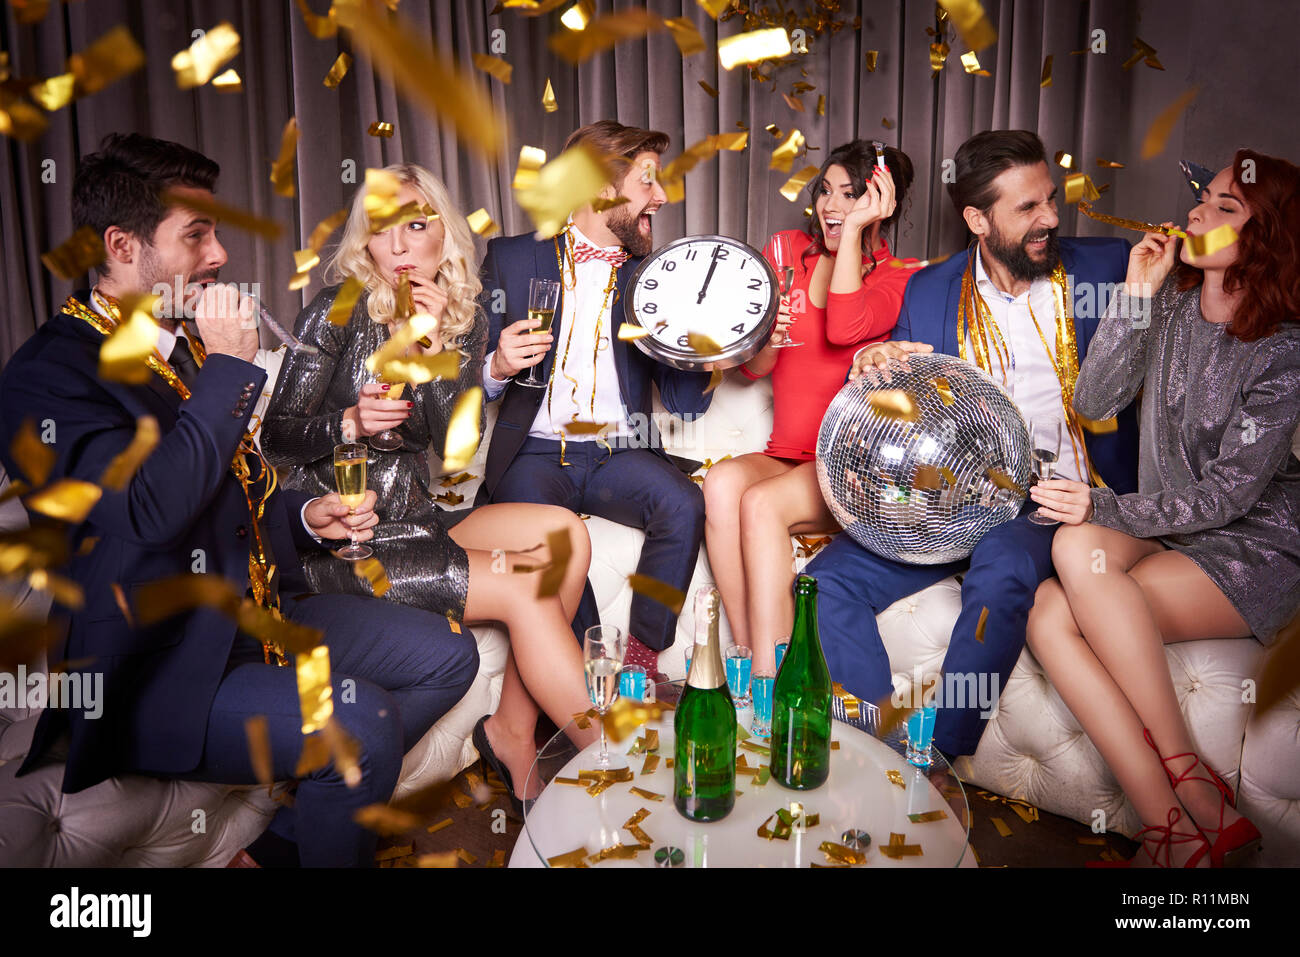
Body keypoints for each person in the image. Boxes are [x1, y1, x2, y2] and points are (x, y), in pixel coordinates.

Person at [0, 133, 479, 868]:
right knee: (361, 722)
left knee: (448, 654)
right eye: (197, 234)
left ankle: (287, 842)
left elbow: (233, 488)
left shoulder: (175, 344)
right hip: (154, 672)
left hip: (257, 617)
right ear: (123, 246)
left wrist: (305, 518)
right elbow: (149, 508)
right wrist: (228, 366)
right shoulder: (48, 377)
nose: (220, 253)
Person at [261, 164, 597, 807]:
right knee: (528, 584)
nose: (399, 246)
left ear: (443, 234)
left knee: (565, 536)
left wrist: (444, 345)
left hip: (416, 519)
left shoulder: (463, 321)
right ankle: (618, 758)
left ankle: (510, 732)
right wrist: (348, 421)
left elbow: (453, 448)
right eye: (383, 229)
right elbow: (276, 438)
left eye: (416, 226)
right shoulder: (334, 312)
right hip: (346, 539)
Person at [806, 130, 1139, 759]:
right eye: (1027, 209)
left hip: (1057, 503)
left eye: (1049, 199)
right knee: (824, 584)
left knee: (1004, 567)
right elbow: (902, 412)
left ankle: (936, 762)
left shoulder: (1109, 267)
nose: (1050, 219)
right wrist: (876, 362)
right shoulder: (931, 291)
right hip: (948, 505)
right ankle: (872, 752)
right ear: (976, 219)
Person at [1025, 150, 1300, 867]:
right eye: (1203, 196)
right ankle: (1184, 804)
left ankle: (1172, 814)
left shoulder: (1286, 352)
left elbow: (1232, 495)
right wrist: (1137, 293)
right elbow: (1092, 403)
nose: (1199, 211)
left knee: (1057, 610)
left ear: (1267, 235)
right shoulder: (1173, 300)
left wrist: (1106, 507)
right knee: (1067, 557)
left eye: (1225, 207)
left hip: (1255, 545)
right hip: (1173, 525)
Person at [477, 120, 715, 675]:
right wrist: (497, 365)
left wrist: (702, 342)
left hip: (620, 453)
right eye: (648, 183)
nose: (661, 196)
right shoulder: (511, 259)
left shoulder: (660, 277)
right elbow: (465, 378)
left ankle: (640, 662)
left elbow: (687, 406)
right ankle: (589, 672)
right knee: (553, 541)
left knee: (682, 503)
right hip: (534, 451)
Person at [703, 140, 917, 673]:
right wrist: (768, 340)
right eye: (826, 190)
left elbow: (844, 324)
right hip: (787, 454)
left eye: (851, 194)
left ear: (882, 202)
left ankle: (772, 678)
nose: (830, 204)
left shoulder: (903, 275)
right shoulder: (785, 250)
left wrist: (855, 233)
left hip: (847, 468)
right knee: (721, 484)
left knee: (760, 505)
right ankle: (751, 656)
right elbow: (752, 370)